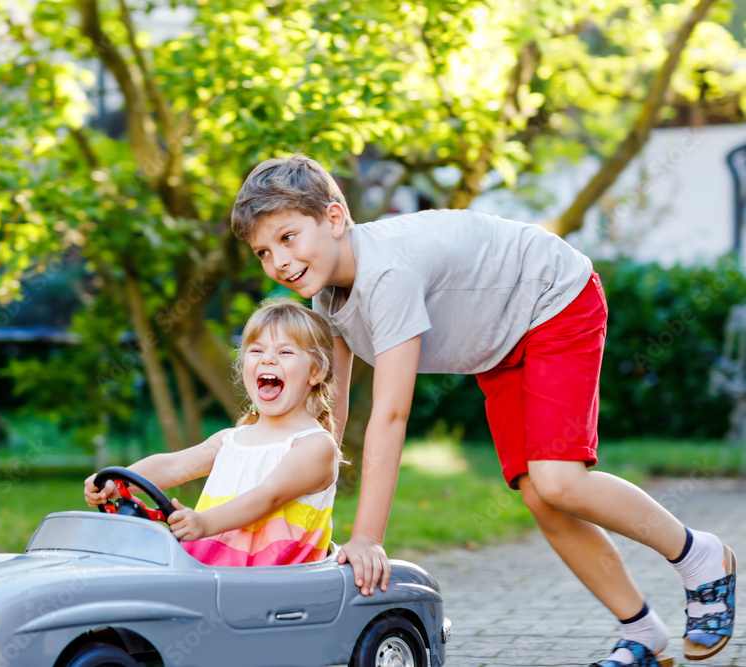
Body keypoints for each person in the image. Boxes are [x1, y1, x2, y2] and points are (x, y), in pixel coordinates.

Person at [229, 154, 736, 667]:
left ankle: (701, 557)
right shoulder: (328, 299)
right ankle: (644, 635)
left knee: (559, 481)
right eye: (263, 252)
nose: (278, 263)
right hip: (500, 342)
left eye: (288, 238)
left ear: (334, 219)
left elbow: (390, 416)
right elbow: (328, 421)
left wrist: (367, 540)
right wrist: (304, 516)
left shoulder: (387, 274)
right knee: (541, 496)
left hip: (553, 299)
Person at [84, 299, 341, 567]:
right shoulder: (232, 440)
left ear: (316, 371)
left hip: (274, 584)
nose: (268, 359)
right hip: (211, 574)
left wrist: (205, 522)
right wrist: (117, 483)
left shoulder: (314, 446)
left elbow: (268, 495)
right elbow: (173, 466)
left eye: (285, 352)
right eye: (256, 350)